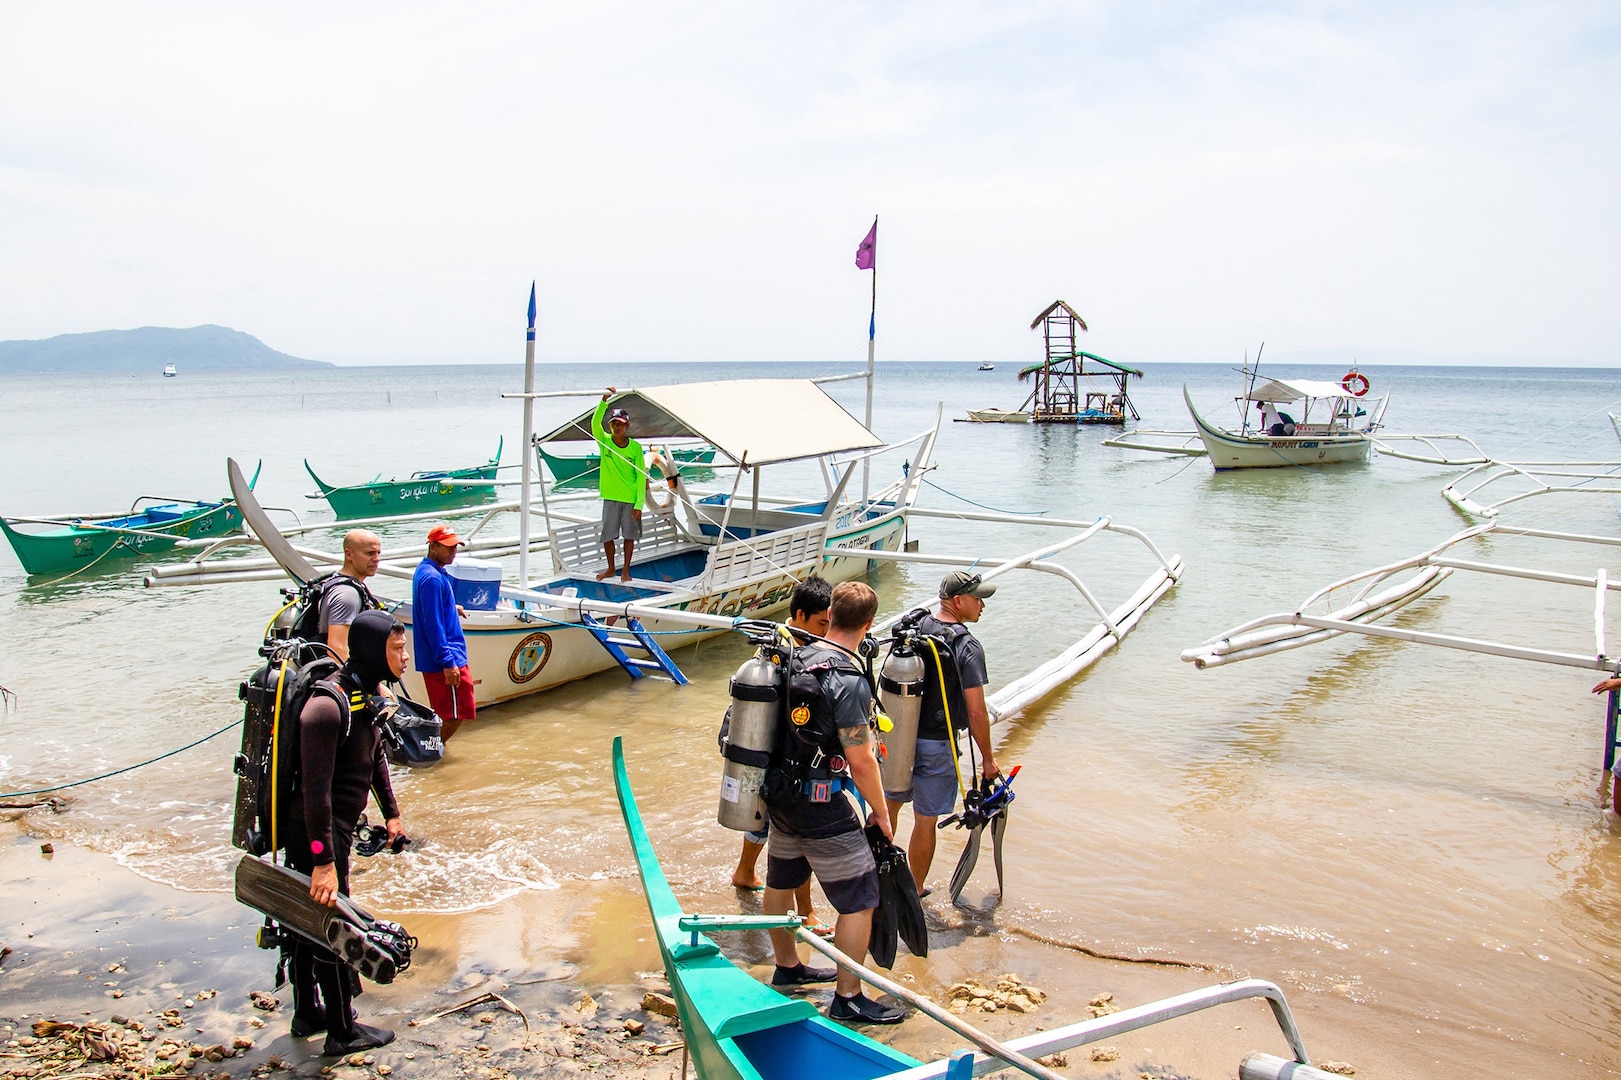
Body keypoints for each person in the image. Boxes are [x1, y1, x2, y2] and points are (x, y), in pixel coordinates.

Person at [762, 581, 905, 1025]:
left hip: (781, 796)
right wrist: (881, 812)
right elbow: (861, 758)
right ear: (866, 625)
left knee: (781, 881)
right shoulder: (846, 677)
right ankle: (849, 997)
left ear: (831, 614)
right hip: (821, 803)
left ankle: (788, 969)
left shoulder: (794, 655)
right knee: (860, 898)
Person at [282, 608, 410, 1056]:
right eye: (398, 649)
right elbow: (314, 794)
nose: (406, 657)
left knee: (306, 920)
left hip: (335, 827)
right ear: (375, 651)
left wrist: (390, 813)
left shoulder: (366, 695)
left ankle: (307, 1012)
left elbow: (372, 755)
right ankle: (341, 1030)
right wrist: (322, 861)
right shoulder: (326, 707)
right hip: (315, 829)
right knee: (331, 925)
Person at [885, 570, 1000, 896]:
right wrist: (988, 760)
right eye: (978, 599)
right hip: (936, 743)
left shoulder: (915, 628)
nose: (982, 606)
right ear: (958, 600)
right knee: (925, 820)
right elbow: (976, 712)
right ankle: (914, 889)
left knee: (888, 808)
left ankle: (871, 881)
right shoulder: (967, 647)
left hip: (899, 735)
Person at [730, 576, 833, 935]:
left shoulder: (773, 643)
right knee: (795, 832)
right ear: (801, 615)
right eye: (822, 623)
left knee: (761, 818)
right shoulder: (796, 654)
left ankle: (744, 873)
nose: (828, 630)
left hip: (757, 749)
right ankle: (806, 911)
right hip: (780, 756)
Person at [411, 525, 474, 739]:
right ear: (433, 547)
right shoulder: (432, 579)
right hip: (445, 658)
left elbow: (430, 609)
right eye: (448, 547)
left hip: (442, 656)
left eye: (455, 547)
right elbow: (433, 625)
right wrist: (448, 662)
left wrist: (450, 606)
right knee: (454, 715)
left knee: (450, 712)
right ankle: (432, 751)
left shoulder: (427, 571)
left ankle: (433, 752)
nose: (453, 551)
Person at [593, 388, 647, 583]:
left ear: (627, 426)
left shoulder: (635, 447)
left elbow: (641, 477)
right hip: (611, 496)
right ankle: (610, 568)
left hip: (630, 498)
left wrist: (639, 504)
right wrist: (603, 402)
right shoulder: (604, 442)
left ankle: (625, 570)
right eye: (614, 423)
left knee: (629, 536)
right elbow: (594, 424)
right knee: (608, 535)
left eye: (621, 424)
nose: (617, 427)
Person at [318, 530, 382, 662]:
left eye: (378, 553)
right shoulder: (347, 595)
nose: (376, 559)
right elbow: (337, 649)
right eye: (370, 553)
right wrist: (363, 681)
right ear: (349, 554)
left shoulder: (334, 582)